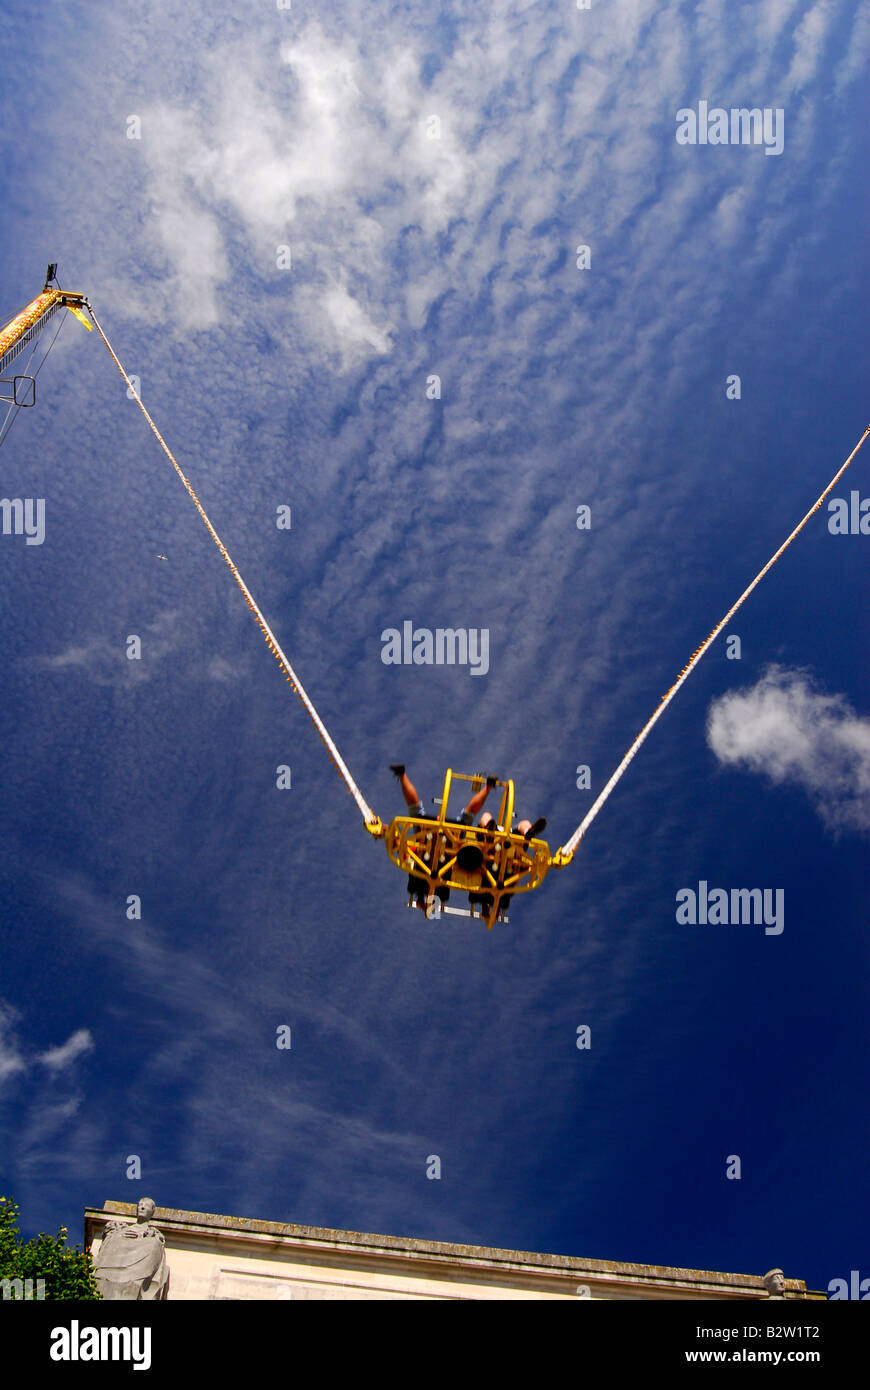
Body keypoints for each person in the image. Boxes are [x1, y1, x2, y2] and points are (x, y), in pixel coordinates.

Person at [389, 765, 547, 910]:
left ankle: (510, 828)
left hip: (449, 842)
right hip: (459, 841)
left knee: (470, 816)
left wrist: (390, 836)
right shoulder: (424, 874)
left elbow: (403, 850)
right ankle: (517, 829)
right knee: (469, 816)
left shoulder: (420, 870)